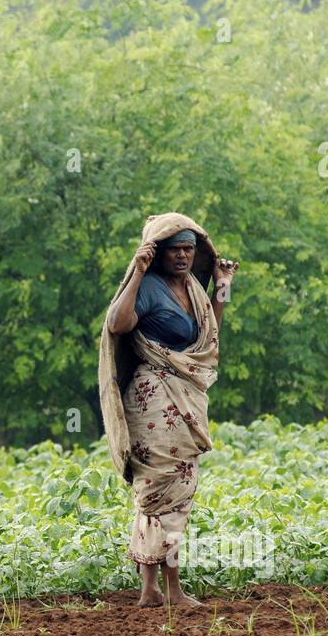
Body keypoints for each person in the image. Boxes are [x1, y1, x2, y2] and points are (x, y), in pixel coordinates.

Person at [99, 213, 238, 607]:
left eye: (188, 250)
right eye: (175, 249)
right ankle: (152, 589)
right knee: (154, 491)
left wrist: (223, 288)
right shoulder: (149, 287)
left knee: (180, 493)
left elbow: (210, 331)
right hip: (152, 399)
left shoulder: (194, 288)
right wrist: (138, 274)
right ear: (160, 252)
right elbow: (117, 324)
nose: (182, 256)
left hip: (185, 397)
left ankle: (170, 588)